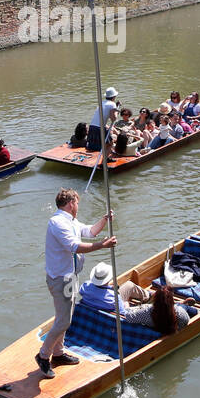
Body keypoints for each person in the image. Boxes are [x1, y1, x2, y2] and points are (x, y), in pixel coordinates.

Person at [36, 189, 116, 378]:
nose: (78, 207)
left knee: (65, 318)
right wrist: (101, 245)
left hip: (70, 276)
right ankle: (43, 355)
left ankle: (58, 353)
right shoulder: (57, 223)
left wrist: (104, 220)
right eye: (77, 203)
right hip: (60, 279)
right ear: (71, 203)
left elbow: (89, 231)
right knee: (64, 320)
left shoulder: (70, 221)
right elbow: (74, 246)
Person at [87, 87, 120, 153]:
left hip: (92, 126)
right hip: (100, 128)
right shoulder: (112, 104)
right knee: (110, 143)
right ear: (113, 97)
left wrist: (115, 108)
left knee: (96, 144)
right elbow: (113, 118)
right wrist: (117, 109)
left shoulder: (101, 103)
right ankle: (107, 159)